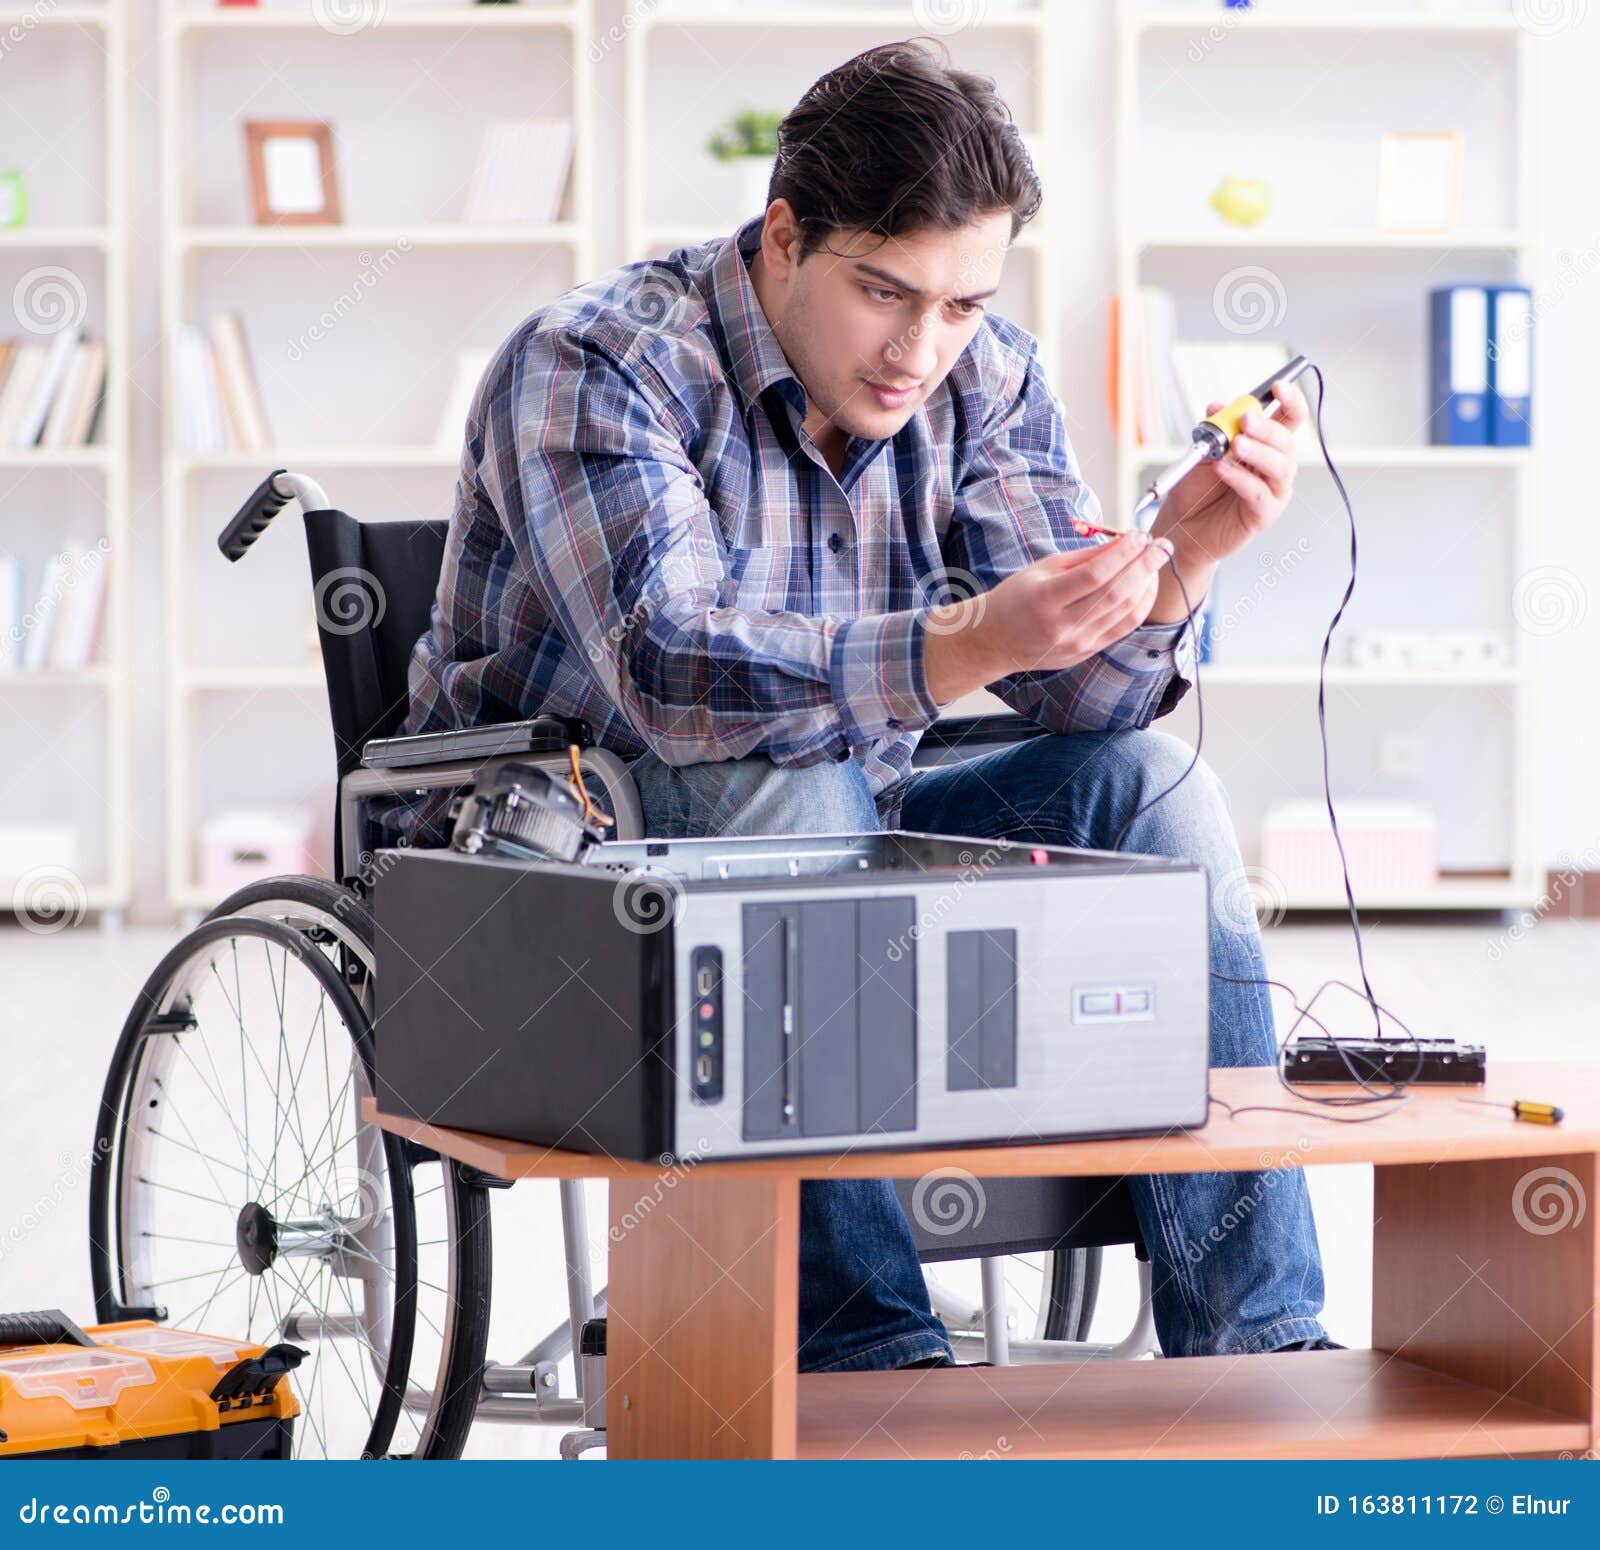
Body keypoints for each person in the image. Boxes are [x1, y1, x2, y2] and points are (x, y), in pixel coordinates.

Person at [385, 39, 1335, 1369]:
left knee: (1153, 784)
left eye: (960, 304)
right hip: (554, 869)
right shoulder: (599, 364)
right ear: (783, 234)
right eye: (885, 292)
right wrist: (959, 645)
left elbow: (1077, 698)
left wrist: (1178, 567)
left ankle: (1261, 1351)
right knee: (780, 783)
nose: (920, 350)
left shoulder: (982, 374)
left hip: (840, 842)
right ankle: (867, 1357)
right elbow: (675, 673)